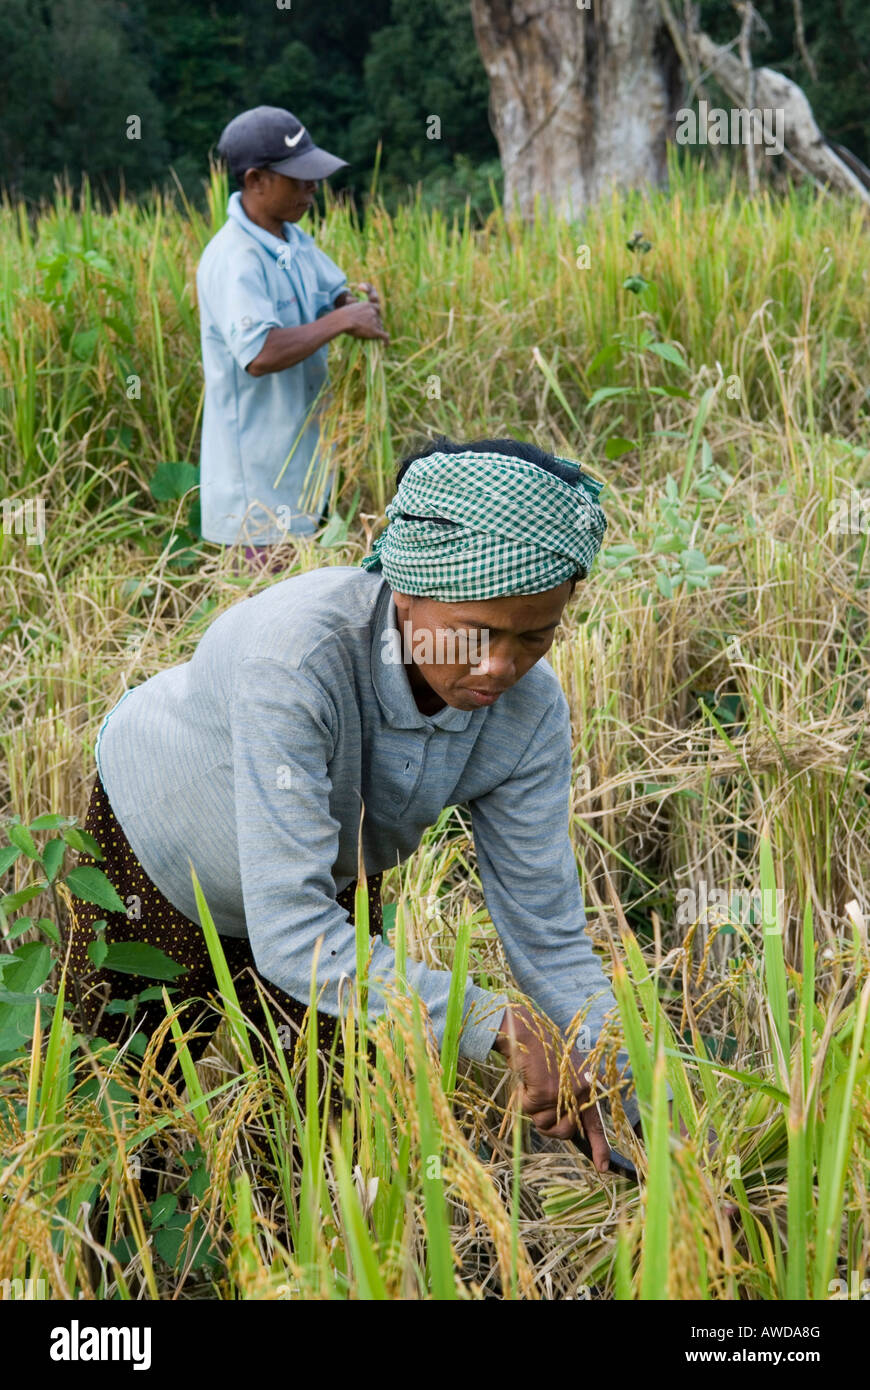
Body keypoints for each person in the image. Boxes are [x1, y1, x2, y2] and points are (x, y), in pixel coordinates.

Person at [69, 436, 649, 1169]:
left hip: (322, 876)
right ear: (404, 588)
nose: (501, 667)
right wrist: (493, 1022)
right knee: (116, 1107)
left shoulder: (528, 713)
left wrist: (636, 1112)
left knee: (314, 1131)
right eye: (478, 633)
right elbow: (292, 937)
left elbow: (551, 940)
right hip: (162, 846)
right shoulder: (301, 659)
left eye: (535, 636)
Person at [197, 105, 388, 563]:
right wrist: (342, 321)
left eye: (313, 176)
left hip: (303, 480)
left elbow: (329, 292)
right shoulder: (236, 257)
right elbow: (259, 353)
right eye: (298, 178)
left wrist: (350, 303)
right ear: (255, 180)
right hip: (257, 500)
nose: (312, 188)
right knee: (260, 624)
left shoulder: (292, 240)